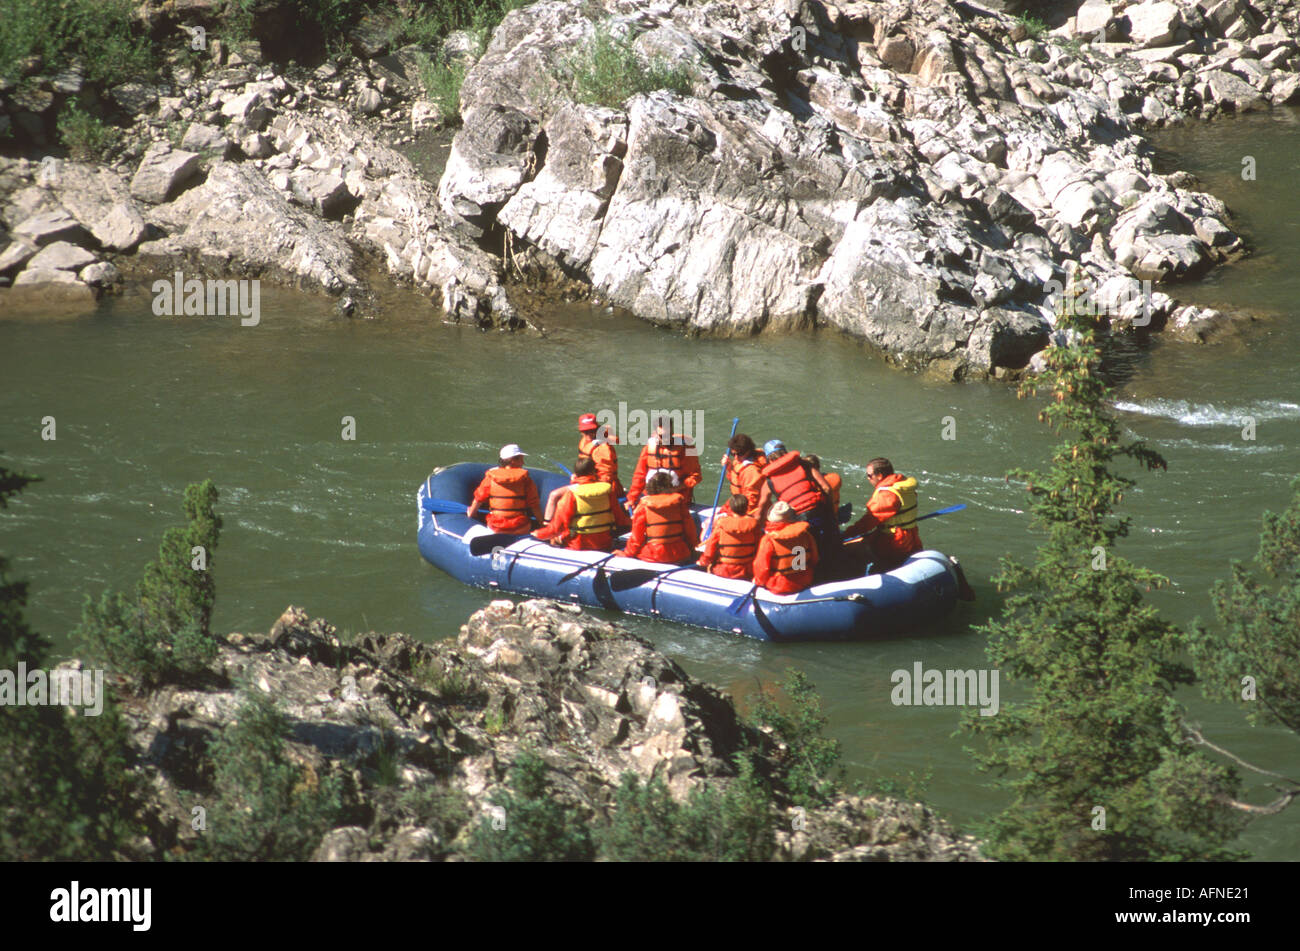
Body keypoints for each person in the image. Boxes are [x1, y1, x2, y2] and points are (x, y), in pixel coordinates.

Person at [756, 439, 841, 577]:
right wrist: (830, 511)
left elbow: (761, 506)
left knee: (800, 548)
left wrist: (757, 529)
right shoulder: (804, 464)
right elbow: (825, 487)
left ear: (768, 458)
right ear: (785, 451)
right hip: (819, 512)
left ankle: (801, 576)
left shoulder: (769, 480)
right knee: (831, 544)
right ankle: (837, 571)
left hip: (798, 520)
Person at [843, 457, 923, 573]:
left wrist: (844, 535)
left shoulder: (887, 495)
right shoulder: (902, 485)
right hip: (912, 537)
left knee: (852, 550)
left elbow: (867, 523)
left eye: (869, 475)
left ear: (879, 476)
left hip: (894, 542)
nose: (868, 478)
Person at [534, 456, 629, 551]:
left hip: (577, 544)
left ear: (576, 474)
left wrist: (536, 534)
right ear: (594, 472)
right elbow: (620, 519)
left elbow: (556, 528)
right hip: (604, 542)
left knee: (554, 537)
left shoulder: (571, 494)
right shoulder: (608, 491)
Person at [545, 413, 623, 521]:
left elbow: (605, 478)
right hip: (585, 481)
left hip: (595, 485)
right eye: (586, 431)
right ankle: (551, 527)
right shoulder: (585, 442)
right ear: (581, 431)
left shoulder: (602, 449)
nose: (589, 434)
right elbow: (583, 465)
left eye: (592, 430)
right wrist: (577, 475)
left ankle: (550, 528)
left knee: (555, 495)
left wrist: (583, 483)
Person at [616, 471, 699, 564]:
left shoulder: (644, 505)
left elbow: (636, 538)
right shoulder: (679, 501)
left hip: (653, 555)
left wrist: (627, 553)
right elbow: (690, 530)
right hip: (680, 554)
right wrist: (693, 547)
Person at [625, 415, 702, 511]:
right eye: (661, 436)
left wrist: (675, 489)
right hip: (652, 497)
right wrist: (632, 499)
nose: (665, 438)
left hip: (677, 498)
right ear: (655, 434)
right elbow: (639, 476)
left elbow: (696, 476)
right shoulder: (648, 448)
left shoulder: (687, 448)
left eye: (668, 435)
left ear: (672, 432)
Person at [467, 444, 543, 535]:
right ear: (512, 461)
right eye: (521, 459)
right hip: (520, 528)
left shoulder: (491, 478)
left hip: (496, 528)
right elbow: (534, 505)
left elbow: (479, 498)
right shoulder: (526, 480)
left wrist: (471, 514)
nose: (523, 463)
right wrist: (542, 523)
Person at [752, 501, 819, 594]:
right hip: (805, 581)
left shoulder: (769, 539)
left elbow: (761, 568)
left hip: (779, 585)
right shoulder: (805, 534)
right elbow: (814, 558)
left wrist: (758, 582)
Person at [696, 494, 762, 580]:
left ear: (730, 508)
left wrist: (703, 561)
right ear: (746, 507)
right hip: (746, 571)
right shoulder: (754, 525)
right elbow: (759, 547)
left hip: (723, 570)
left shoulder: (721, 524)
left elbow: (710, 547)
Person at [721, 433, 767, 513]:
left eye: (739, 454)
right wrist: (729, 467)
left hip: (746, 509)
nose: (736, 457)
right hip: (738, 502)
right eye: (733, 454)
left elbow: (752, 500)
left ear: (748, 451)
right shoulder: (739, 460)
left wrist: (739, 514)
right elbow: (736, 479)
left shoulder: (751, 471)